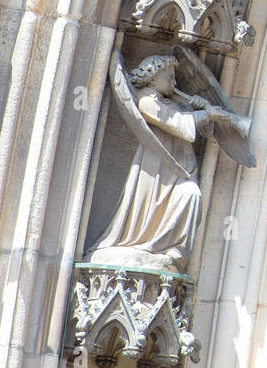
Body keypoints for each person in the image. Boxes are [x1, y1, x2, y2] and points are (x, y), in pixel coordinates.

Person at [89, 56, 228, 273]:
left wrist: (202, 107)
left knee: (192, 195)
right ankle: (145, 241)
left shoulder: (170, 102)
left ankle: (175, 251)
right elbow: (181, 126)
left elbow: (202, 130)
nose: (174, 81)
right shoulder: (146, 101)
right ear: (152, 79)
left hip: (176, 169)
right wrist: (205, 114)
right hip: (157, 172)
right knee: (191, 194)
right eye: (169, 77)